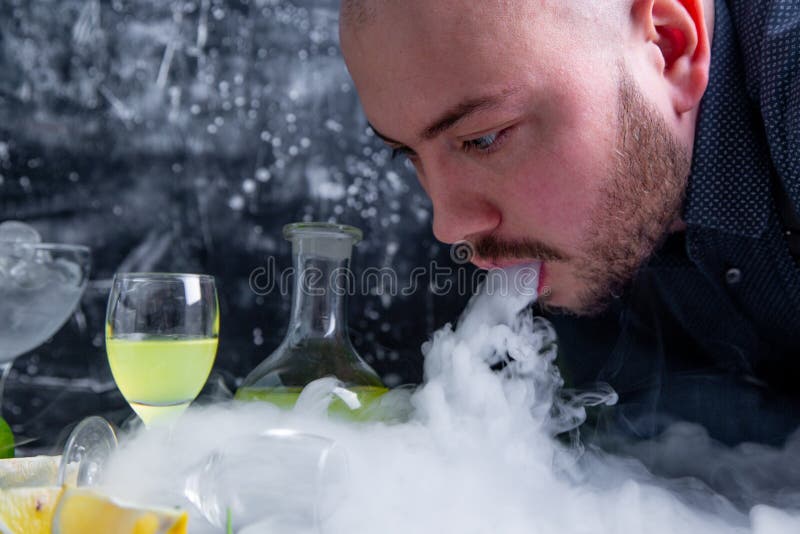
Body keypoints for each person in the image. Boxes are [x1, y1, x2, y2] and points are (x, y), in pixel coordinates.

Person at [338, 0, 800, 446]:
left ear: (669, 46)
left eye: (484, 139)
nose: (451, 225)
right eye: (408, 155)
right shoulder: (591, 238)